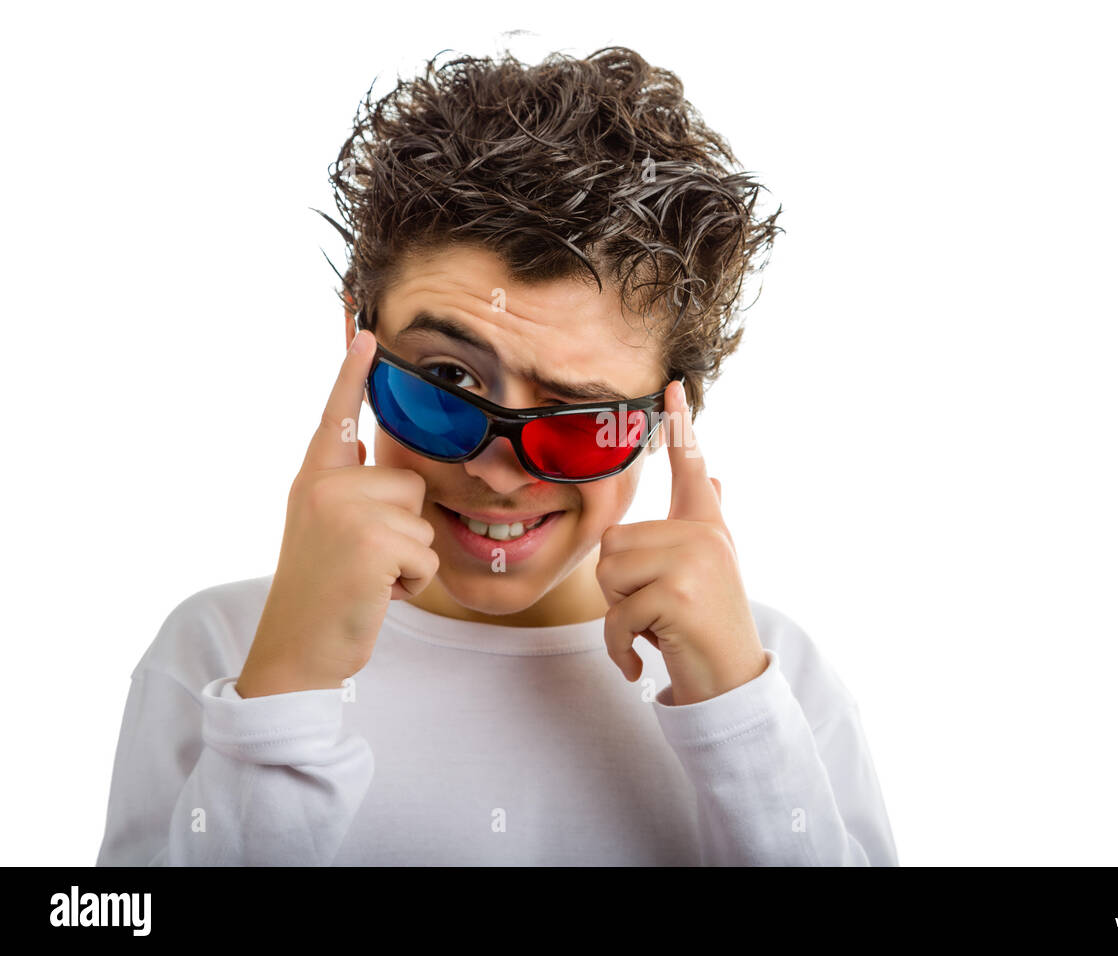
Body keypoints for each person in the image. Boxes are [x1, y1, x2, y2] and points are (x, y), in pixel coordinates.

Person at [95, 45, 898, 866]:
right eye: (446, 380)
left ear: (670, 416)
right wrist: (288, 687)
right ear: (356, 340)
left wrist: (738, 720)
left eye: (578, 415)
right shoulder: (219, 652)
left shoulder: (771, 678)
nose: (495, 470)